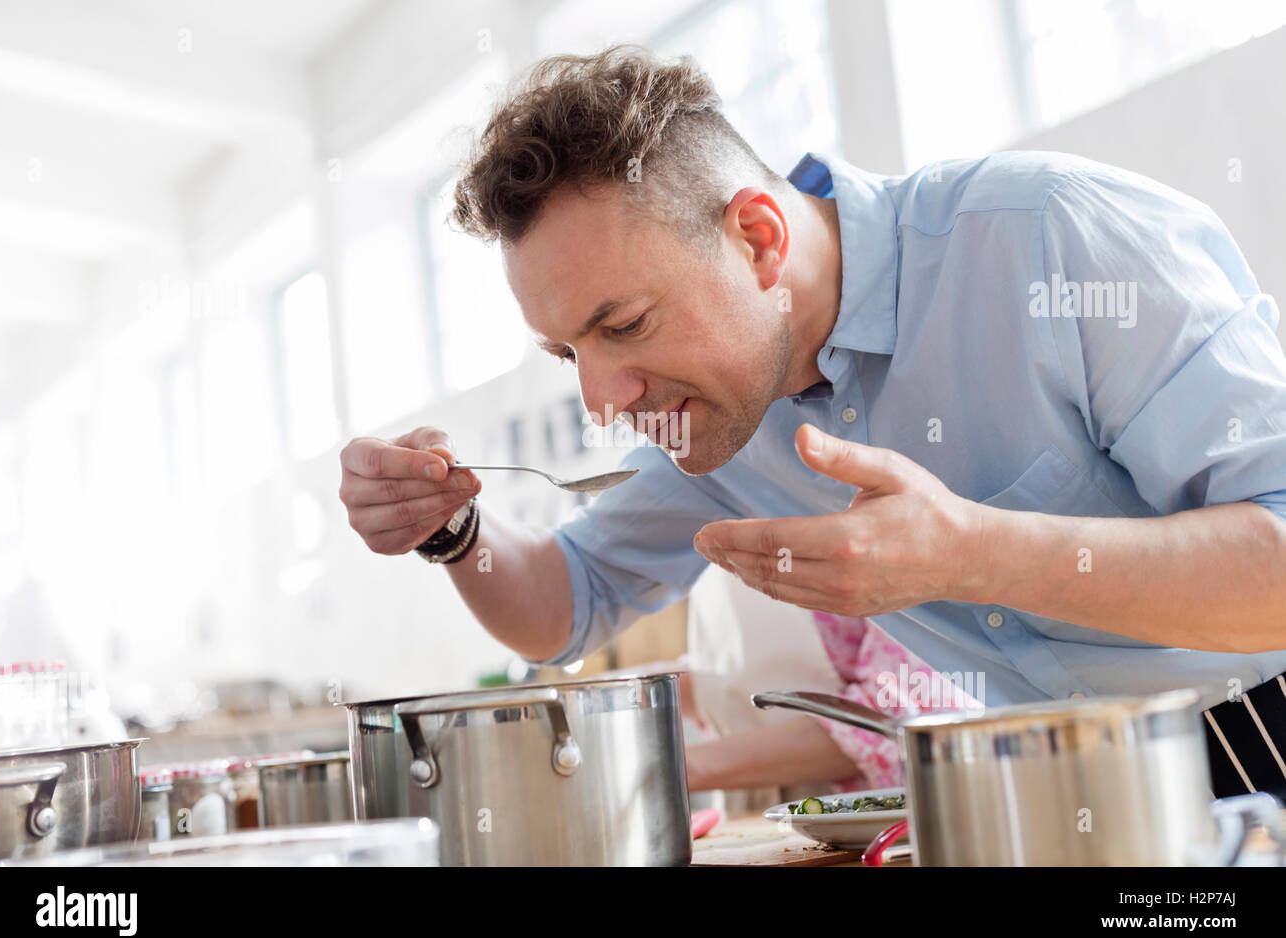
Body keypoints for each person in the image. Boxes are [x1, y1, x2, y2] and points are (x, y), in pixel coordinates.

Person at [338, 46, 1286, 800]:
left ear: (758, 238)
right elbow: (566, 605)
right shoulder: (716, 417)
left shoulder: (1053, 236)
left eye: (621, 325)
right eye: (566, 354)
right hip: (1078, 782)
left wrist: (970, 554)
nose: (602, 401)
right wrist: (455, 530)